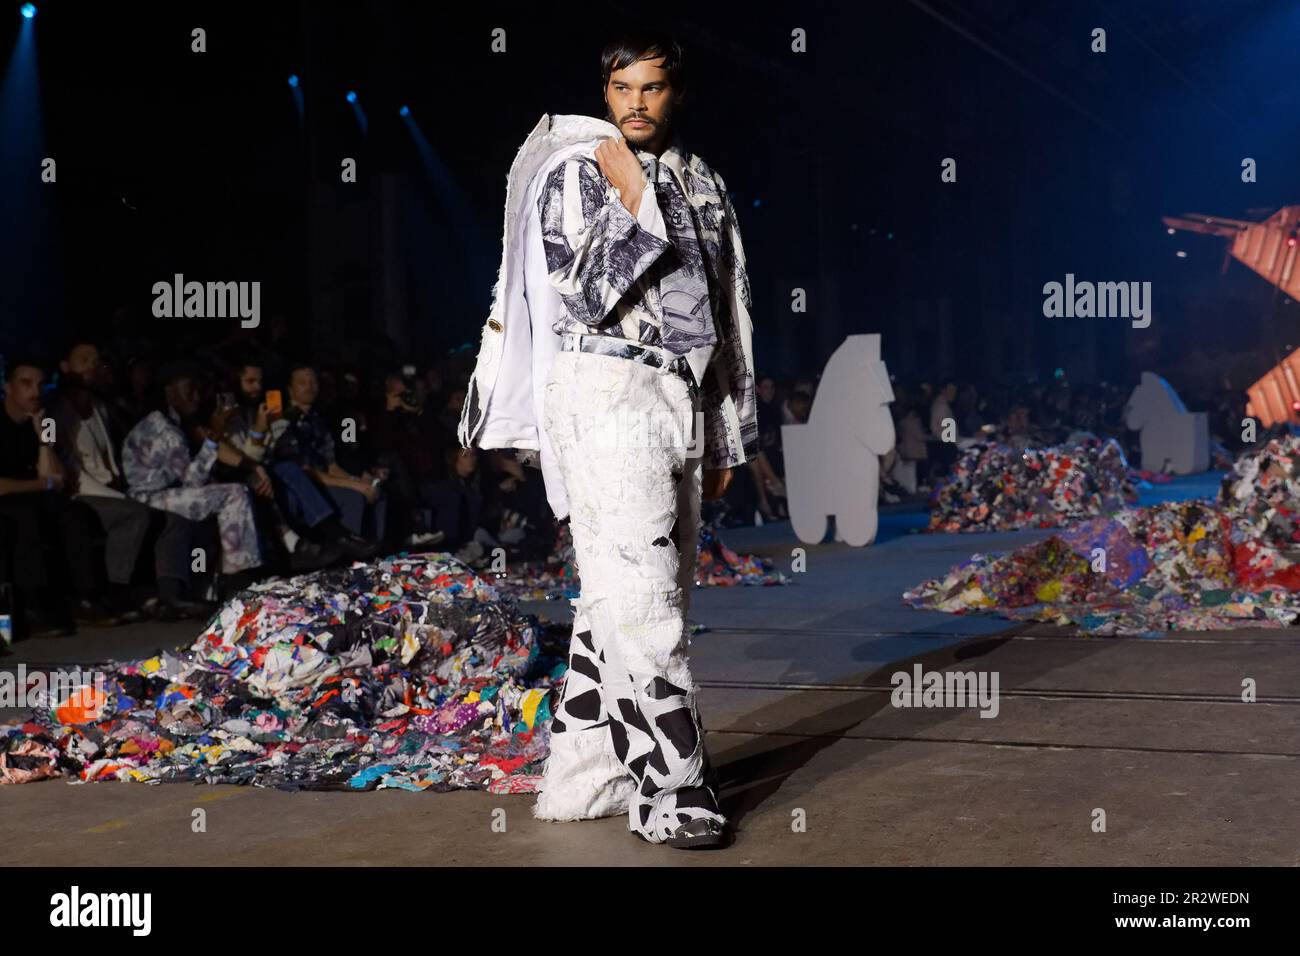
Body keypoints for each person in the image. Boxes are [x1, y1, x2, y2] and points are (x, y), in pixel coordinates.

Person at [457, 32, 760, 848]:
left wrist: (730, 433)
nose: (634, 102)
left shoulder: (705, 182)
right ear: (604, 88)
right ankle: (672, 788)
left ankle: (584, 774)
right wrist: (627, 195)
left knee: (618, 598)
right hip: (601, 388)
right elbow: (586, 291)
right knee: (646, 597)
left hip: (679, 398)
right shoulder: (578, 167)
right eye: (621, 86)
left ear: (676, 94)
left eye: (652, 88)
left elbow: (730, 314)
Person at [50, 339, 212, 618]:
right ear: (65, 367)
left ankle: (171, 593)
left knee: (174, 514)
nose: (91, 367)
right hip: (84, 493)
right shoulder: (57, 413)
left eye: (95, 360)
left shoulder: (101, 407)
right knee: (134, 514)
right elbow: (70, 468)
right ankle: (118, 591)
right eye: (83, 361)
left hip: (113, 488)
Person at [0, 356, 124, 637]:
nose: (35, 391)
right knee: (26, 518)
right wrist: (41, 485)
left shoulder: (45, 421)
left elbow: (57, 481)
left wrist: (43, 440)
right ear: (8, 387)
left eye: (41, 385)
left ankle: (85, 598)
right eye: (26, 384)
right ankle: (32, 607)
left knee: (72, 512)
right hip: (9, 501)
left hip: (33, 495)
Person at [121, 362, 265, 577]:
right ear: (170, 393)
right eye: (190, 392)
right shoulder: (165, 430)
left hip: (166, 491)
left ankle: (226, 577)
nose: (196, 397)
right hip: (149, 497)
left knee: (226, 490)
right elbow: (192, 480)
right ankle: (240, 575)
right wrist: (215, 435)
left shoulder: (171, 422)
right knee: (235, 493)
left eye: (198, 391)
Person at [272, 363, 387, 548]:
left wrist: (357, 480)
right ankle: (347, 552)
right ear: (290, 389)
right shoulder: (283, 422)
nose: (309, 386)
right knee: (354, 495)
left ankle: (375, 551)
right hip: (303, 485)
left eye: (313, 382)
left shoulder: (318, 420)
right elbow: (304, 471)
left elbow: (331, 464)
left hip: (326, 476)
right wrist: (354, 484)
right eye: (302, 383)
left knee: (375, 492)